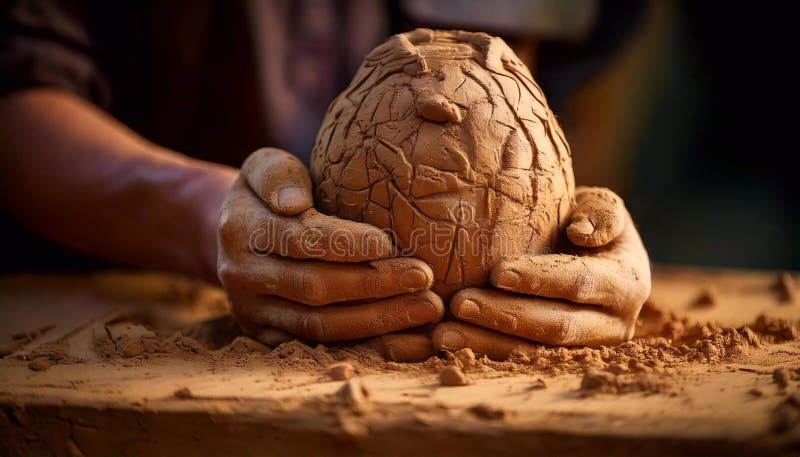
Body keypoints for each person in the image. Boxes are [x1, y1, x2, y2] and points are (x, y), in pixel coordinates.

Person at [0, 0, 650, 360]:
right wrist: (207, 213)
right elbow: (18, 81)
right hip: (101, 268)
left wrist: (561, 222)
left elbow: (503, 64)